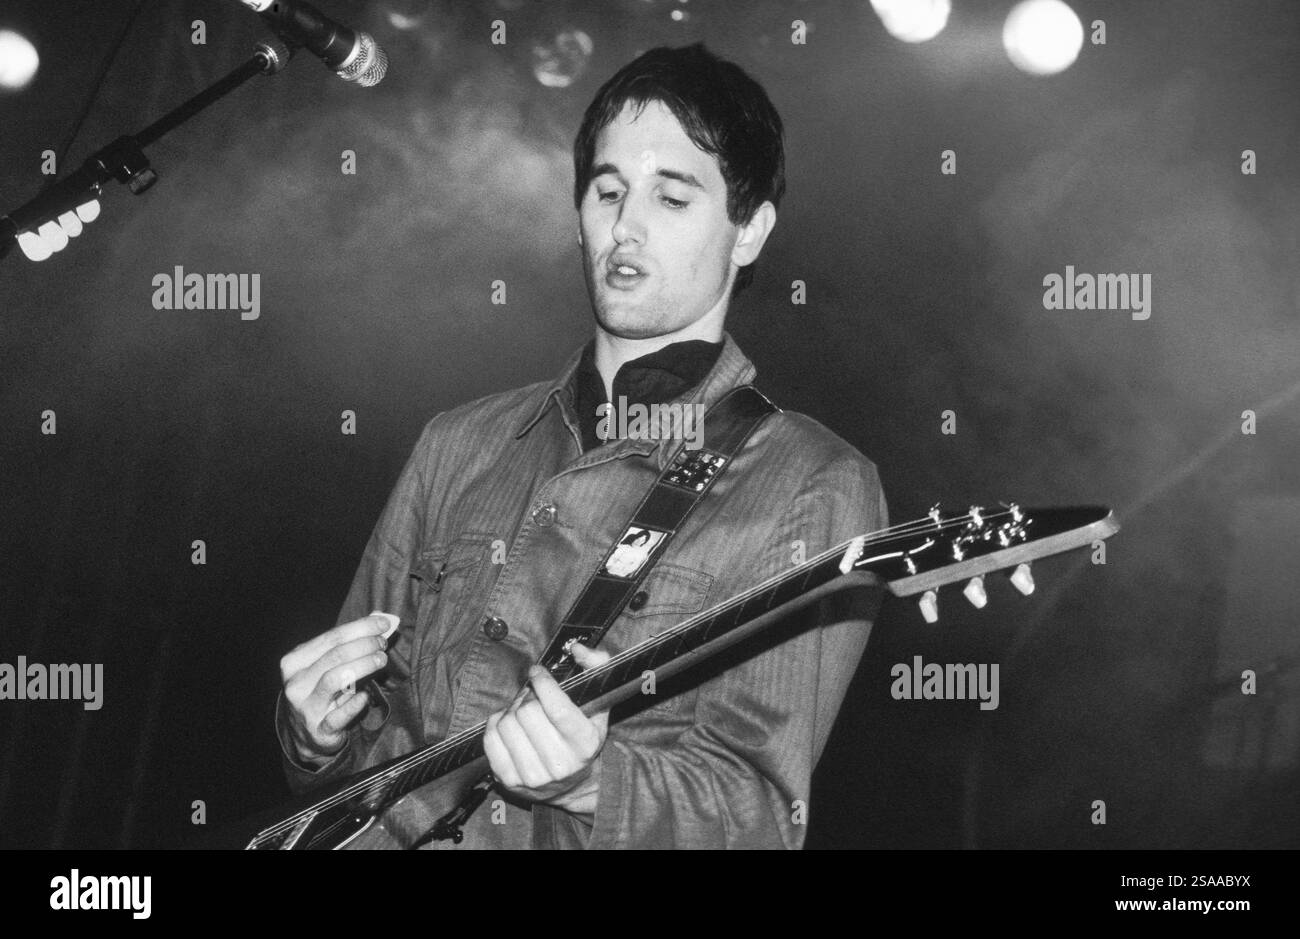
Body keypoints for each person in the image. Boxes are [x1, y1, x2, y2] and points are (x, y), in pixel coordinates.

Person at [275, 42, 888, 849]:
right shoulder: (458, 442)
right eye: (608, 192)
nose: (626, 227)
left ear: (749, 232)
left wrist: (593, 780)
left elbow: (759, 818)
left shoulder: (814, 481)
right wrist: (312, 733)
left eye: (672, 199)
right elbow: (360, 762)